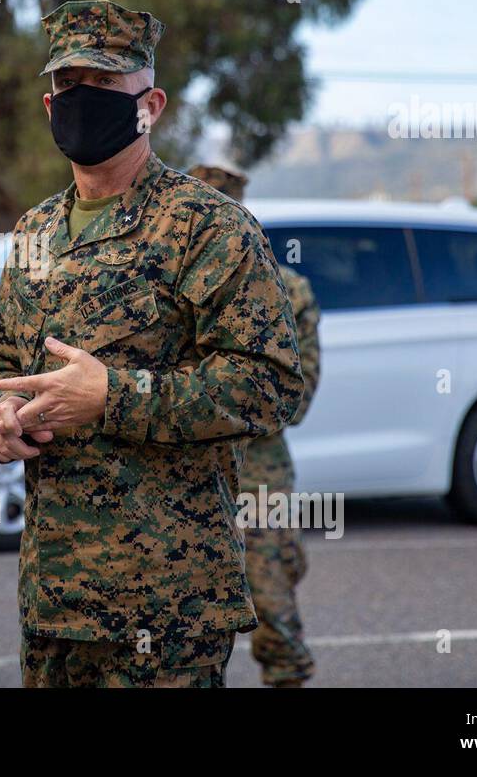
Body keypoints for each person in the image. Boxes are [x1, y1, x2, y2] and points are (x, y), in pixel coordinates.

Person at [0, 1, 303, 688]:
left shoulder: (210, 228)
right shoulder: (34, 232)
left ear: (150, 105)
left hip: (170, 608)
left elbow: (269, 387)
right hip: (56, 601)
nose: (82, 101)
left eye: (104, 86)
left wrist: (114, 397)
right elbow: (0, 358)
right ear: (48, 102)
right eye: (70, 86)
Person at [190, 163, 320, 686]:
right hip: (185, 471)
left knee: (271, 604)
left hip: (258, 468)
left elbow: (296, 396)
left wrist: (207, 400)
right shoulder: (169, 282)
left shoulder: (286, 290)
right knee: (181, 617)